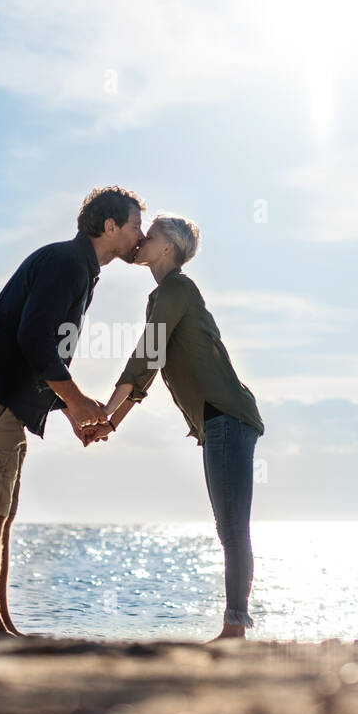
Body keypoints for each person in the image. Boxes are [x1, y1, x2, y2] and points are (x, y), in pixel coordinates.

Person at [0, 186, 145, 636]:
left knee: (2, 512)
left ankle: (0, 625)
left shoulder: (80, 269)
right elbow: (34, 342)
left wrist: (71, 410)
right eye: (134, 225)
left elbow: (42, 353)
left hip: (5, 399)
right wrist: (76, 401)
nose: (140, 234)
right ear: (109, 226)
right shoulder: (66, 263)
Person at [97, 212, 264, 641]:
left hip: (227, 418)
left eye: (148, 236)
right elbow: (150, 368)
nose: (141, 241)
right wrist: (110, 422)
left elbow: (144, 356)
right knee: (229, 527)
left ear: (168, 247)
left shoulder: (176, 289)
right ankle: (235, 627)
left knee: (232, 528)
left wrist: (104, 416)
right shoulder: (165, 295)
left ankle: (235, 629)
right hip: (220, 422)